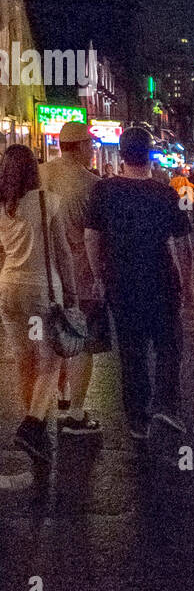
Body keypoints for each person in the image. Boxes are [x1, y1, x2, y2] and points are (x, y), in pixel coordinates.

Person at [85, 126, 194, 441]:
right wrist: (187, 284)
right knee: (169, 346)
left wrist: (98, 275)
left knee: (131, 353)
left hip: (121, 282)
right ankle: (166, 405)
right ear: (150, 155)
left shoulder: (104, 191)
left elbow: (92, 237)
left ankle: (137, 419)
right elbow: (182, 244)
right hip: (161, 280)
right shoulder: (165, 193)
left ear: (121, 155)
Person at [0, 144, 80, 462]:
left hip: (8, 290)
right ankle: (32, 425)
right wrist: (72, 295)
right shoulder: (47, 202)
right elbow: (62, 253)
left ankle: (33, 426)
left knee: (23, 359)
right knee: (50, 361)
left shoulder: (4, 206)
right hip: (41, 292)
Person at [39, 121, 102, 435]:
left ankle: (59, 400)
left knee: (54, 340)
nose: (93, 150)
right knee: (80, 343)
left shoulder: (40, 176)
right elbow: (95, 237)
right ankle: (75, 414)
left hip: (44, 274)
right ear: (78, 146)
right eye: (90, 145)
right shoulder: (91, 184)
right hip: (78, 273)